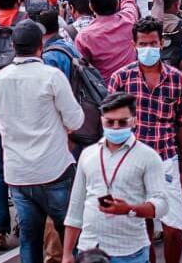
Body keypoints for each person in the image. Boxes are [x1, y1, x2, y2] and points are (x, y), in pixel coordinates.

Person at [0, 19, 84, 263]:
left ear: (13, 46)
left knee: (29, 242)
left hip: (19, 174)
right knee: (69, 240)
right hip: (54, 170)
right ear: (40, 46)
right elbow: (76, 120)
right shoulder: (51, 76)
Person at [107, 16, 182, 263]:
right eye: (143, 44)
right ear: (134, 45)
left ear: (161, 43)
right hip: (132, 163)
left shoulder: (177, 79)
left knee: (174, 227)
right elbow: (111, 124)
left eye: (152, 43)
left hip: (166, 161)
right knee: (142, 228)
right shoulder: (121, 79)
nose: (148, 49)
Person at [62, 92, 169, 263]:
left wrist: (129, 209)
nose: (116, 127)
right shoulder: (88, 155)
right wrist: (67, 253)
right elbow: (75, 209)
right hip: (90, 250)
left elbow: (162, 205)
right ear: (102, 120)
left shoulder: (148, 157)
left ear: (134, 120)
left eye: (122, 122)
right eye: (110, 122)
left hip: (130, 252)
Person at [75, 0, 140, 83]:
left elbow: (82, 69)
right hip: (131, 88)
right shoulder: (129, 19)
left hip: (104, 94)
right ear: (117, 3)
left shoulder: (85, 36)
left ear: (91, 6)